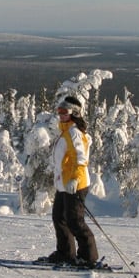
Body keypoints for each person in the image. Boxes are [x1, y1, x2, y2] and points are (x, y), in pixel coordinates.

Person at [38, 95, 99, 267]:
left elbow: (81, 159)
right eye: (59, 111)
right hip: (64, 184)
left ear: (75, 113)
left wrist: (74, 179)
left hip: (75, 184)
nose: (61, 114)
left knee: (75, 220)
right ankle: (65, 253)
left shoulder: (74, 133)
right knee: (59, 217)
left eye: (64, 111)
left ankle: (88, 257)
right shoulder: (66, 131)